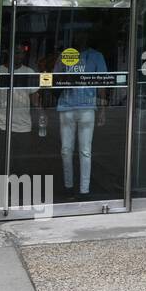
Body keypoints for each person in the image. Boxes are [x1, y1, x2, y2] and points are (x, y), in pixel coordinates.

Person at [55, 29, 107, 197]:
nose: (81, 37)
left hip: (87, 107)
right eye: (78, 34)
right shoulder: (65, 55)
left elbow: (103, 82)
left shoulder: (96, 56)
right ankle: (68, 186)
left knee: (85, 150)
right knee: (66, 150)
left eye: (84, 33)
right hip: (66, 106)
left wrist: (103, 108)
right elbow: (55, 79)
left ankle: (84, 189)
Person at [0, 46, 39, 135]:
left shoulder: (29, 72)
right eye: (17, 53)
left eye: (22, 53)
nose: (20, 56)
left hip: (23, 125)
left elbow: (34, 97)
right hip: (1, 124)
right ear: (9, 54)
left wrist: (41, 113)